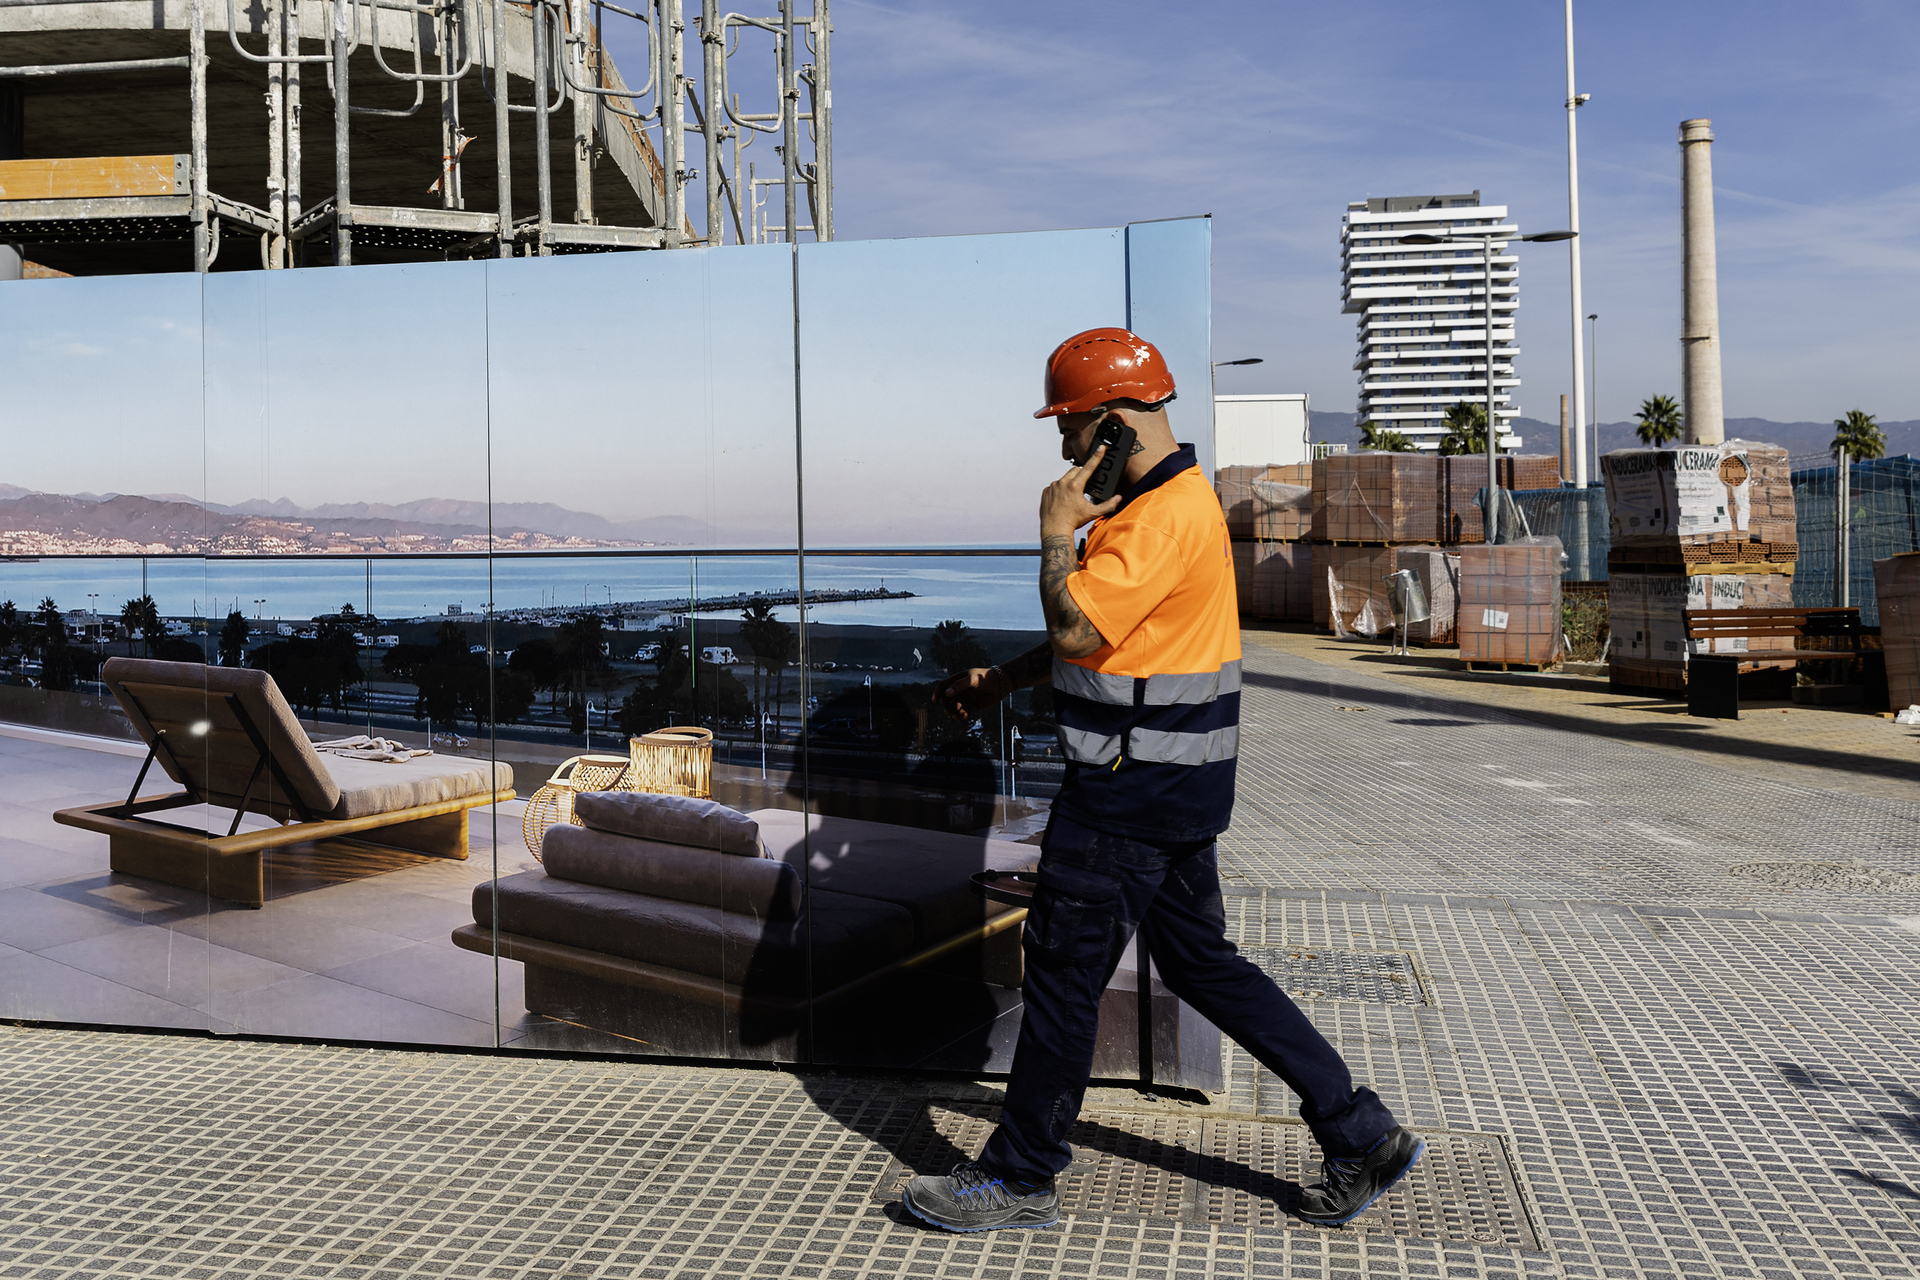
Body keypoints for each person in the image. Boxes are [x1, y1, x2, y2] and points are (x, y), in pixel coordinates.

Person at [903, 327, 1422, 1233]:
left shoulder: (1154, 519)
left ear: (1107, 426)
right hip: (1176, 788)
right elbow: (1105, 637)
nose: (1063, 452)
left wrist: (1052, 530)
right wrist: (999, 679)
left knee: (1065, 972)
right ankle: (1359, 1132)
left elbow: (1075, 627)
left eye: (1068, 430)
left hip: (1126, 795)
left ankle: (1021, 1174)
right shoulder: (1172, 508)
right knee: (1203, 963)